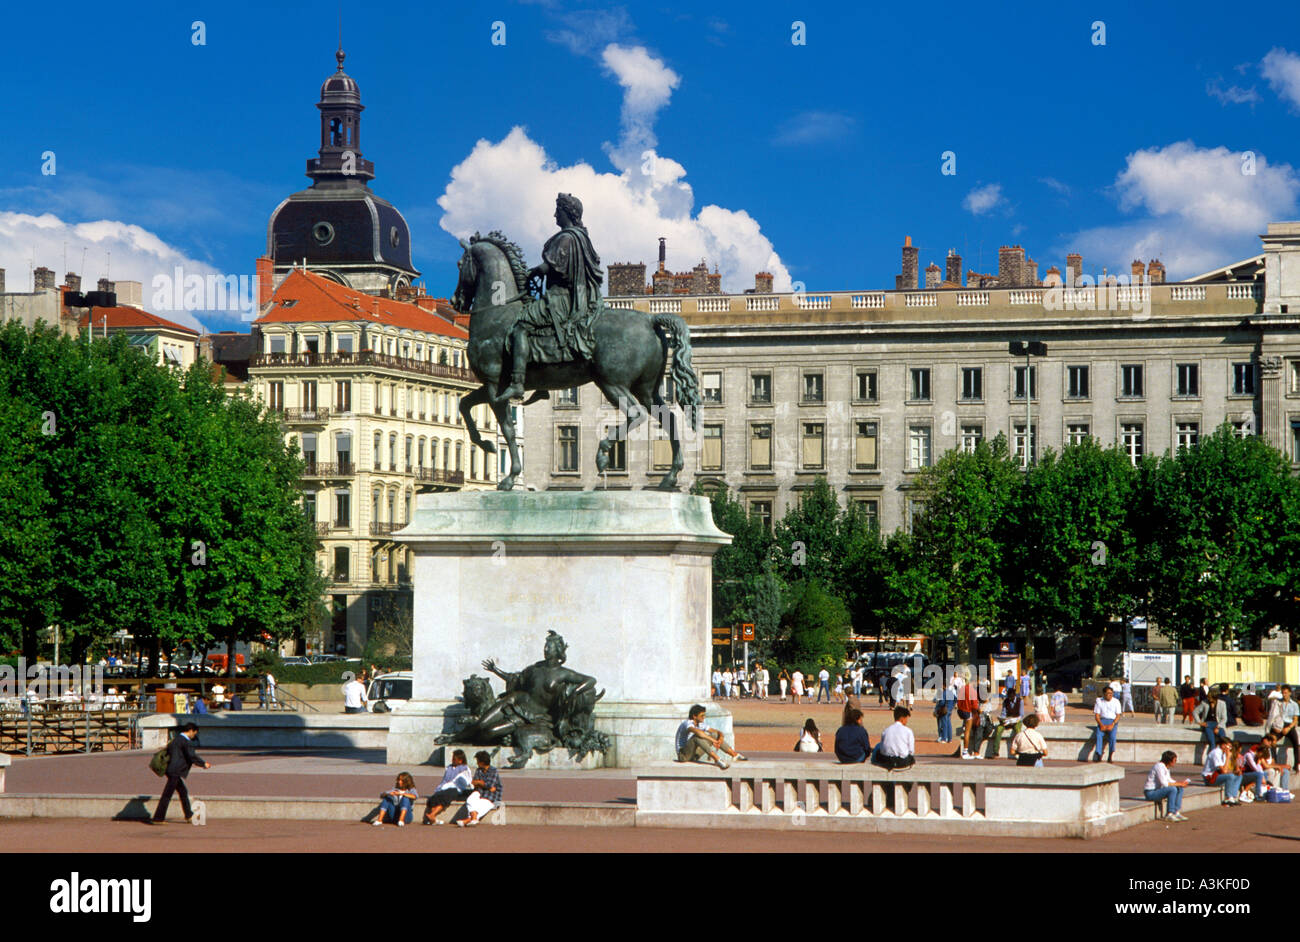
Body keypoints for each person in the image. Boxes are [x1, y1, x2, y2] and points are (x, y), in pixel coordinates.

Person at [493, 193, 603, 404]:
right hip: (576, 296)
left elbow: (552, 267)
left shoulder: (567, 238)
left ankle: (517, 383)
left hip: (561, 299)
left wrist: (533, 272)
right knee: (541, 330)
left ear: (567, 212)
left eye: (558, 210)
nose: (555, 215)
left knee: (520, 328)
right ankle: (542, 382)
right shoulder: (582, 237)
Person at [151, 722, 210, 824]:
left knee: (183, 792)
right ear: (191, 730)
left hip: (171, 770)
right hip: (176, 771)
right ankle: (158, 818)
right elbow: (191, 756)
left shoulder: (175, 740)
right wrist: (203, 764)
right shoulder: (185, 741)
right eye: (194, 733)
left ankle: (189, 815)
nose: (194, 736)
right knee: (167, 795)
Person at [675, 704, 743, 768]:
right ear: (694, 716)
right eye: (702, 716)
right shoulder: (687, 723)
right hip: (683, 755)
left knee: (714, 735)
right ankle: (717, 759)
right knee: (696, 737)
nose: (704, 717)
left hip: (694, 755)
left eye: (704, 715)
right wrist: (714, 741)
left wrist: (720, 738)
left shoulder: (700, 724)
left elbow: (717, 732)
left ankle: (734, 755)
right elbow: (699, 733)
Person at [423, 750, 474, 824]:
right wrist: (440, 788)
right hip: (445, 787)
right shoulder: (449, 768)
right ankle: (432, 818)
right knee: (435, 798)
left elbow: (466, 781)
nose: (452, 760)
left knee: (445, 798)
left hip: (456, 789)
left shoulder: (465, 769)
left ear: (460, 760)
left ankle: (432, 814)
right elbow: (445, 780)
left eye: (454, 759)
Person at [457, 751, 502, 826]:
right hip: (479, 792)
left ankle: (468, 820)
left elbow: (489, 784)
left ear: (482, 762)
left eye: (478, 761)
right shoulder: (479, 770)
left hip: (491, 796)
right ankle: (474, 818)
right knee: (470, 800)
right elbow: (474, 782)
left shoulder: (493, 771)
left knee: (482, 804)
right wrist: (481, 783)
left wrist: (480, 783)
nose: (477, 763)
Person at [1145, 750, 1190, 821]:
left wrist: (1181, 783)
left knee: (1179, 788)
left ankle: (1176, 812)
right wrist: (1179, 783)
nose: (1175, 762)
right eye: (1174, 760)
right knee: (1172, 789)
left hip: (1157, 791)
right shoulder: (1159, 766)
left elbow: (1169, 780)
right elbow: (1164, 783)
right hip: (1150, 793)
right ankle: (1169, 813)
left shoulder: (1166, 768)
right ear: (1169, 761)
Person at [1203, 735, 1243, 806]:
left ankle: (1233, 797)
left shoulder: (1224, 753)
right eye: (1229, 746)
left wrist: (1236, 771)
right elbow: (1224, 771)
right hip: (1210, 778)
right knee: (1230, 776)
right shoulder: (1216, 753)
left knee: (1239, 776)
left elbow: (1226, 770)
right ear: (1223, 745)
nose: (1230, 748)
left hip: (1218, 775)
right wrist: (1228, 757)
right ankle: (1228, 798)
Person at [872, 706, 916, 770]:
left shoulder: (886, 730)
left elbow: (882, 750)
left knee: (877, 746)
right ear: (902, 719)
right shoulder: (908, 731)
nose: (907, 721)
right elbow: (911, 751)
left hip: (887, 761)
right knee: (911, 758)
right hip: (902, 762)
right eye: (906, 719)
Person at [989, 685, 1024, 759]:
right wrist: (1002, 718)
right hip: (1007, 720)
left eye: (1011, 698)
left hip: (1016, 720)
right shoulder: (1006, 701)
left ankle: (1018, 751)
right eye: (1009, 697)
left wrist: (1014, 720)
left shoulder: (1020, 701)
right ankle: (995, 751)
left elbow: (1021, 715)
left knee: (1018, 731)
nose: (1010, 699)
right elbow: (1004, 713)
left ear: (1014, 696)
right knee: (998, 729)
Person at [1270, 685, 1300, 772]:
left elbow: (1295, 720)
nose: (1284, 695)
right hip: (1279, 724)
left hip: (1289, 725)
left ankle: (1296, 765)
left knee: (1296, 743)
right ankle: (1274, 762)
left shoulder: (1294, 705)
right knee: (1272, 740)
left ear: (1290, 693)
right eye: (1283, 693)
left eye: (1286, 693)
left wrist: (1288, 728)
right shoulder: (1278, 703)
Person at [1093, 685, 1122, 763]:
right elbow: (1097, 715)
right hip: (1102, 721)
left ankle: (1110, 755)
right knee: (1099, 735)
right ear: (1104, 694)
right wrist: (1101, 725)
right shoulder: (1099, 701)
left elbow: (1118, 715)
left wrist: (1112, 724)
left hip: (1112, 721)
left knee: (1112, 737)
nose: (1110, 695)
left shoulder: (1116, 701)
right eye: (1108, 693)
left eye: (1111, 693)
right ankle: (1099, 754)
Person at [956, 672, 981, 758]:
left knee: (966, 728)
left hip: (961, 710)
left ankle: (965, 751)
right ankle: (965, 751)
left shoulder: (962, 689)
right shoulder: (972, 691)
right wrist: (979, 710)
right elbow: (975, 706)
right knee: (967, 731)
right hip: (967, 711)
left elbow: (958, 701)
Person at [935, 679, 956, 744]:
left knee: (944, 724)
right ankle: (950, 739)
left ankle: (944, 738)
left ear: (943, 685)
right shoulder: (951, 692)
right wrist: (952, 706)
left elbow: (942, 702)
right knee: (949, 724)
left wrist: (938, 706)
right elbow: (955, 699)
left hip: (944, 710)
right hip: (950, 709)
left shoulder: (944, 693)